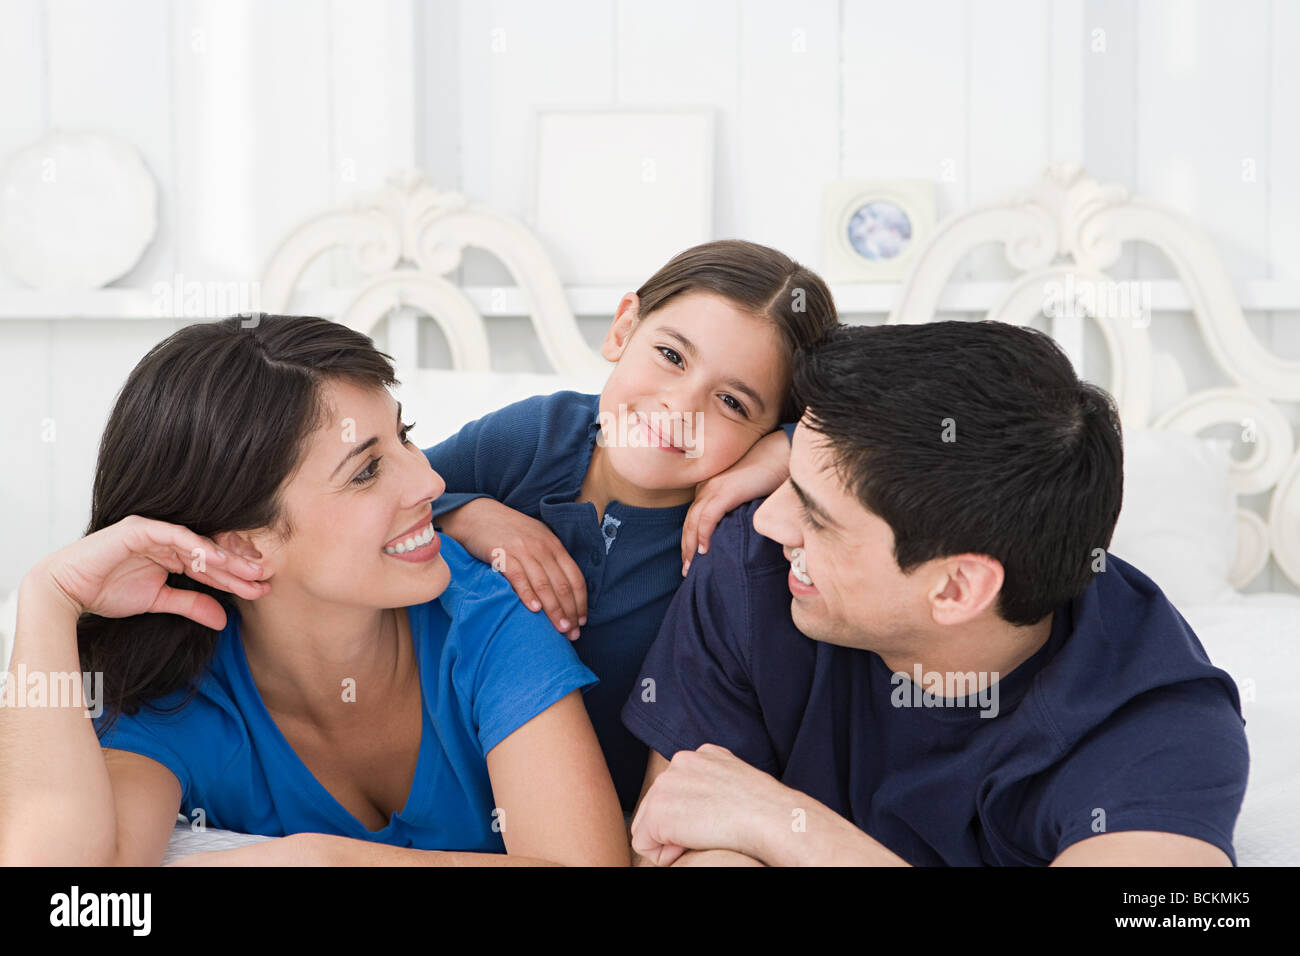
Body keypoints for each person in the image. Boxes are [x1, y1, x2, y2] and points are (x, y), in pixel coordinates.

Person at [0, 314, 628, 866]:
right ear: (243, 544)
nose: (431, 481)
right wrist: (49, 598)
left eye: (405, 437)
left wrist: (323, 861)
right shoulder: (181, 702)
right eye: (367, 471)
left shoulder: (486, 617)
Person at [623, 320, 1250, 866]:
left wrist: (786, 825)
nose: (769, 520)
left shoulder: (1162, 731)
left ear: (957, 588)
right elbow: (678, 837)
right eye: (789, 477)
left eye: (816, 515)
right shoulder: (752, 567)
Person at [424, 240, 838, 811]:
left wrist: (790, 450)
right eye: (671, 356)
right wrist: (470, 515)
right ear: (623, 328)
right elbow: (380, 498)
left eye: (732, 403)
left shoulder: (739, 540)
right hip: (466, 802)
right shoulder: (536, 436)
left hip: (626, 825)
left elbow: (893, 420)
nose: (680, 407)